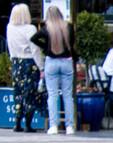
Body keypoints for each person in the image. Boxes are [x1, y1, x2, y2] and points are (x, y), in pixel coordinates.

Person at [33, 4, 76, 135]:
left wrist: (46, 47)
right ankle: (69, 126)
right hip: (67, 62)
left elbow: (34, 38)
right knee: (68, 95)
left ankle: (54, 126)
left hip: (51, 62)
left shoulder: (46, 29)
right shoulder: (68, 27)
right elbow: (72, 43)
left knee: (52, 95)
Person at [5, 4, 44, 133]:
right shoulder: (30, 28)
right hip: (29, 63)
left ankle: (17, 122)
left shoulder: (9, 28)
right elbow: (35, 50)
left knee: (18, 93)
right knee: (30, 94)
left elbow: (10, 47)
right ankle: (28, 123)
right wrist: (41, 67)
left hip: (16, 62)